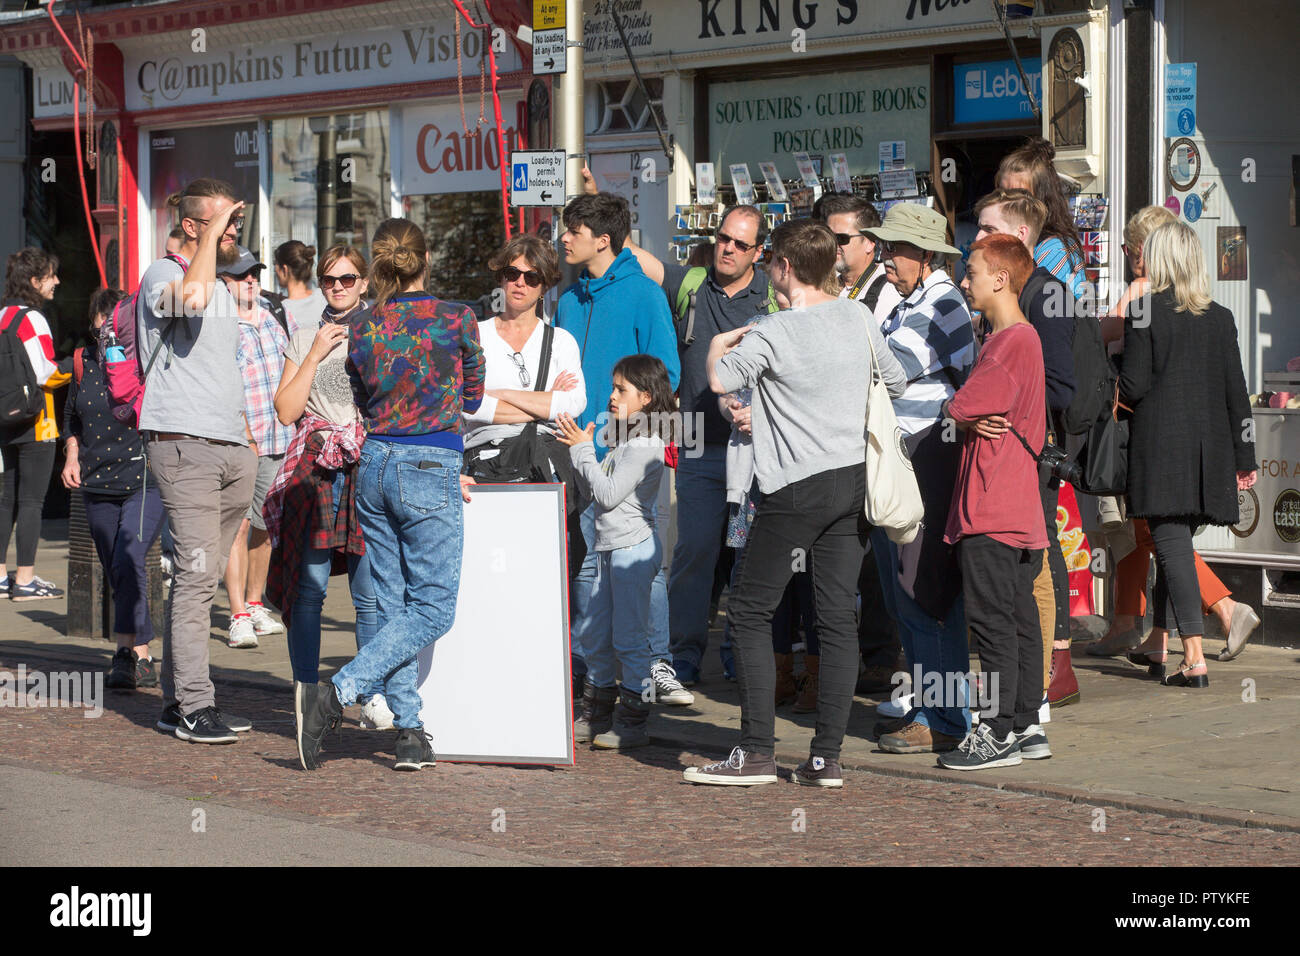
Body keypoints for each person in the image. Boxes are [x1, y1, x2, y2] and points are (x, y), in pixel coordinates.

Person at [684, 219, 906, 788]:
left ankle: (756, 751)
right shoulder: (857, 315)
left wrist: (716, 345)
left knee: (751, 612)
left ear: (781, 267)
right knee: (836, 619)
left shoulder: (772, 331)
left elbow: (719, 380)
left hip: (793, 488)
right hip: (852, 482)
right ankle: (825, 759)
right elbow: (898, 381)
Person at [295, 217, 484, 772]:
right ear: (426, 261)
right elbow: (472, 396)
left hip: (375, 463)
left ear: (378, 267)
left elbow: (359, 394)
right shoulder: (457, 317)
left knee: (398, 605)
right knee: (432, 609)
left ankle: (408, 730)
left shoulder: (366, 326)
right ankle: (339, 690)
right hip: (429, 459)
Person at [1090, 205, 1260, 662]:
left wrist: (1107, 390)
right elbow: (1237, 397)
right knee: (1174, 546)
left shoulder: (1146, 312)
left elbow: (1135, 386)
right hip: (1210, 459)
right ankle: (1159, 644)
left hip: (1160, 454)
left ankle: (1194, 656)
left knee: (1170, 546)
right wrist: (1246, 461)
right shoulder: (1221, 316)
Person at [621, 201, 774, 689]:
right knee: (694, 552)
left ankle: (739, 652)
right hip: (699, 448)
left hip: (755, 452)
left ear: (759, 252)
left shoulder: (772, 298)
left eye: (739, 243)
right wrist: (598, 196)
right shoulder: (690, 283)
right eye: (723, 238)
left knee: (748, 554)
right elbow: (629, 252)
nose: (726, 248)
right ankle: (684, 656)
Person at [552, 193, 683, 704]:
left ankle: (656, 663)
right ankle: (594, 667)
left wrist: (619, 436)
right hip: (574, 450)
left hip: (624, 456)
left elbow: (666, 374)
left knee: (639, 561)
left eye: (573, 230)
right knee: (587, 564)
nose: (564, 237)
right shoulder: (568, 299)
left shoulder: (643, 293)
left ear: (602, 239)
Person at [139, 178, 257, 744]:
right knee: (196, 575)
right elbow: (187, 301)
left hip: (230, 445)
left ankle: (173, 702)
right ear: (192, 226)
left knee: (201, 575)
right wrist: (210, 238)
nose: (234, 230)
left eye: (235, 222)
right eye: (223, 221)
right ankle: (194, 707)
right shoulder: (163, 275)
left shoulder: (223, 287)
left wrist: (248, 437)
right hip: (185, 444)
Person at [862, 205, 976, 756]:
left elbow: (895, 370)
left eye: (896, 248)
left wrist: (852, 327)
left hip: (925, 460)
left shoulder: (941, 302)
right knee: (902, 593)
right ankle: (929, 709)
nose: (887, 257)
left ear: (925, 255)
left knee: (925, 594)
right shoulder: (909, 300)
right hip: (904, 459)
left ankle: (946, 718)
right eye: (885, 247)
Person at [266, 244, 390, 731]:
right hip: (318, 469)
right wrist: (316, 351)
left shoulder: (382, 330)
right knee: (309, 590)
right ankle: (305, 693)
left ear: (364, 282)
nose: (338, 287)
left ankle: (370, 691)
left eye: (348, 279)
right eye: (329, 280)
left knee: (369, 593)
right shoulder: (302, 337)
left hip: (367, 466)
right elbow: (286, 410)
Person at [940, 234, 1048, 770]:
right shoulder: (1016, 339)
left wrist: (954, 408)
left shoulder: (1008, 343)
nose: (966, 280)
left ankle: (996, 729)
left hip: (992, 503)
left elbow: (964, 403)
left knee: (991, 622)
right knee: (1017, 616)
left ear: (1000, 278)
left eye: (973, 271)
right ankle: (1026, 722)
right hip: (1014, 503)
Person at [972, 188, 1078, 707]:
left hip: (1030, 457)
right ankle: (1023, 699)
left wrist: (1002, 400)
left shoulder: (1043, 297)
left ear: (1014, 240)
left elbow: (1061, 385)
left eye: (986, 229)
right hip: (1011, 457)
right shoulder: (1007, 303)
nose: (976, 239)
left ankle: (1033, 694)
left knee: (1029, 574)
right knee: (1018, 580)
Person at [557, 354, 677, 749]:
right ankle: (597, 713)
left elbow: (606, 495)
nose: (611, 396)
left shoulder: (645, 445)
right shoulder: (625, 441)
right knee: (595, 636)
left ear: (645, 397)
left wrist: (582, 450)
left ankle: (632, 722)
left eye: (620, 389)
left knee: (629, 639)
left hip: (630, 551)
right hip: (611, 549)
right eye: (612, 387)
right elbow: (598, 491)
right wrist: (584, 451)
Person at [817, 194, 906, 695]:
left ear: (870, 245)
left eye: (842, 238)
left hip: (874, 439)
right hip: (841, 438)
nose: (833, 246)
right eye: (827, 236)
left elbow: (888, 371)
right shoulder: (840, 292)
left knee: (875, 553)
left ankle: (879, 655)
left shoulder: (884, 295)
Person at [61, 288, 168, 690]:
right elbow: (72, 417)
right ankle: (132, 653)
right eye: (102, 322)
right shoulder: (82, 362)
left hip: (145, 479)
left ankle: (133, 656)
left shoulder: (147, 362)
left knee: (128, 557)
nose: (108, 330)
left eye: (116, 322)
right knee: (117, 570)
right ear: (92, 324)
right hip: (96, 481)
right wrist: (72, 454)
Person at [219, 247, 296, 647]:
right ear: (225, 282)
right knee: (237, 525)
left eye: (255, 273)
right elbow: (222, 387)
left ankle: (254, 603)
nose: (251, 280)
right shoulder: (219, 324)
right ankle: (236, 615)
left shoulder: (276, 316)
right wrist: (243, 434)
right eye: (241, 275)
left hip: (280, 439)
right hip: (240, 440)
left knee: (266, 526)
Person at [0, 247, 68, 600]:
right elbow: (47, 373)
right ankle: (24, 580)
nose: (56, 281)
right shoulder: (33, 319)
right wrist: (77, 365)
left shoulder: (1, 315)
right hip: (37, 418)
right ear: (34, 280)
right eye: (50, 275)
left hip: (4, 419)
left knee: (6, 498)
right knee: (31, 501)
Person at [997, 138, 1088, 300]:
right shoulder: (1002, 240)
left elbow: (1020, 306)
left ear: (1042, 199)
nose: (1007, 203)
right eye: (1002, 193)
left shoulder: (1055, 249)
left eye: (1019, 195)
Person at [274, 240, 327, 333]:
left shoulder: (281, 311)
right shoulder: (324, 296)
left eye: (275, 264)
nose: (275, 270)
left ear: (285, 269)